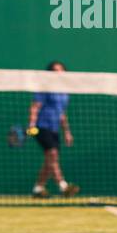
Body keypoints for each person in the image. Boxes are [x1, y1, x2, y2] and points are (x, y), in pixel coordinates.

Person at [27, 61, 80, 198]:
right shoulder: (44, 89)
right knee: (53, 155)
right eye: (54, 70)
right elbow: (35, 107)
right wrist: (32, 125)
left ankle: (38, 188)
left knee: (49, 160)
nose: (58, 73)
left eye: (60, 70)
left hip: (55, 129)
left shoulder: (64, 94)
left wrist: (67, 132)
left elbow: (62, 115)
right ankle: (63, 186)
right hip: (41, 127)